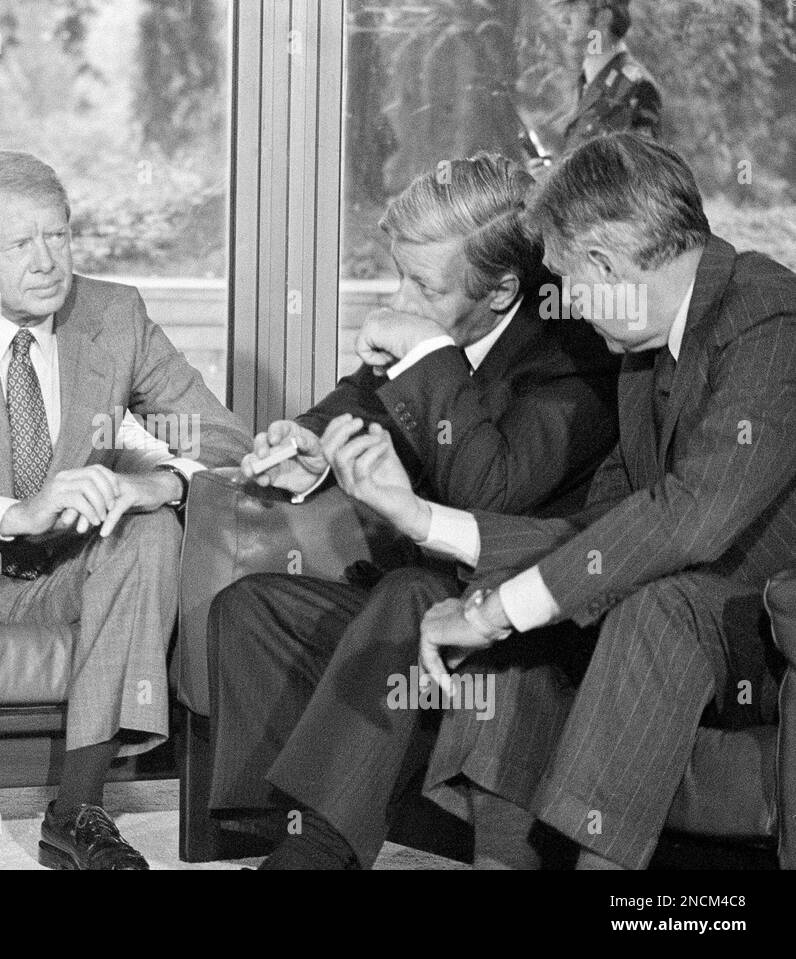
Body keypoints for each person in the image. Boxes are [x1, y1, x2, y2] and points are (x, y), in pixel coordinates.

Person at [333, 133, 796, 870]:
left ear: (607, 265)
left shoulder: (766, 319)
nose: (568, 306)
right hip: (703, 613)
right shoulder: (644, 357)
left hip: (768, 635)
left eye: (568, 283)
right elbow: (599, 525)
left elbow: (692, 511)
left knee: (639, 608)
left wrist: (498, 611)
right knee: (535, 603)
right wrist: (423, 521)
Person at [207, 154, 620, 869]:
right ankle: (289, 829)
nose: (400, 301)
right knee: (250, 608)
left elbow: (493, 491)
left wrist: (428, 352)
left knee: (406, 593)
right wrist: (308, 440)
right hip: (429, 603)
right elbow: (360, 398)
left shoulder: (576, 353)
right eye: (397, 273)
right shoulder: (437, 326)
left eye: (422, 285)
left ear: (500, 291)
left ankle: (319, 856)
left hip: (537, 620)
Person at [0, 149, 251, 870]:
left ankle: (80, 811)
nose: (48, 261)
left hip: (70, 571)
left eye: (58, 235)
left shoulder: (116, 313)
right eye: (20, 243)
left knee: (152, 529)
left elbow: (223, 442)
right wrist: (12, 514)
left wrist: (160, 484)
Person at [528, 0, 661, 176]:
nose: (563, 19)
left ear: (603, 18)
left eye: (573, 10)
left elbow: (639, 178)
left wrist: (558, 179)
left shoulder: (637, 86)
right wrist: (550, 176)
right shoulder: (586, 81)